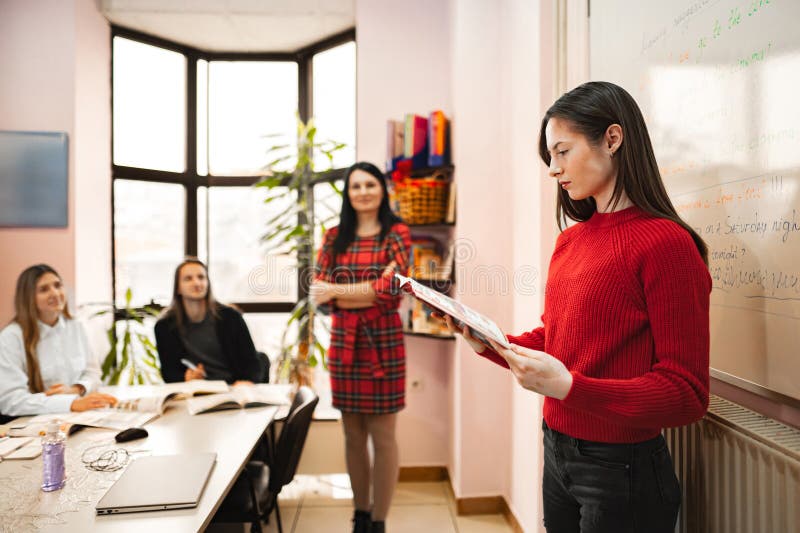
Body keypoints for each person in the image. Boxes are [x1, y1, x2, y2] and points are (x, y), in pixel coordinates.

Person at [440, 81, 711, 533]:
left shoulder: (667, 245)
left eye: (562, 151)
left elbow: (686, 393)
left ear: (612, 138)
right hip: (559, 452)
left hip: (620, 471)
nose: (552, 169)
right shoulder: (572, 240)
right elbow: (559, 339)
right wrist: (490, 341)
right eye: (550, 156)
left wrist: (571, 388)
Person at [310, 161, 411, 533]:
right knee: (352, 434)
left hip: (384, 346)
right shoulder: (334, 235)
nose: (364, 192)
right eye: (356, 186)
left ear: (382, 190)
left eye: (370, 184)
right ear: (347, 193)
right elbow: (319, 295)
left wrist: (340, 290)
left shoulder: (396, 233)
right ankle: (361, 514)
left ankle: (380, 520)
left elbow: (392, 290)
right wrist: (364, 291)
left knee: (383, 437)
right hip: (344, 346)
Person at [0, 264, 117, 416]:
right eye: (43, 289)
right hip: (33, 424)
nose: (55, 293)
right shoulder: (11, 337)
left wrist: (76, 389)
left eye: (57, 285)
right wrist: (71, 403)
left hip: (77, 417)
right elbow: (11, 401)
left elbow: (93, 372)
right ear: (28, 298)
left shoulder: (76, 327)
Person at [154, 258, 267, 384]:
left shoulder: (231, 317)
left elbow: (253, 365)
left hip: (232, 387)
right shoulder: (165, 326)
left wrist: (246, 382)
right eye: (188, 279)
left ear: (208, 283)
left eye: (201, 277)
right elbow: (169, 373)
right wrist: (187, 377)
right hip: (196, 390)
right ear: (178, 288)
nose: (197, 283)